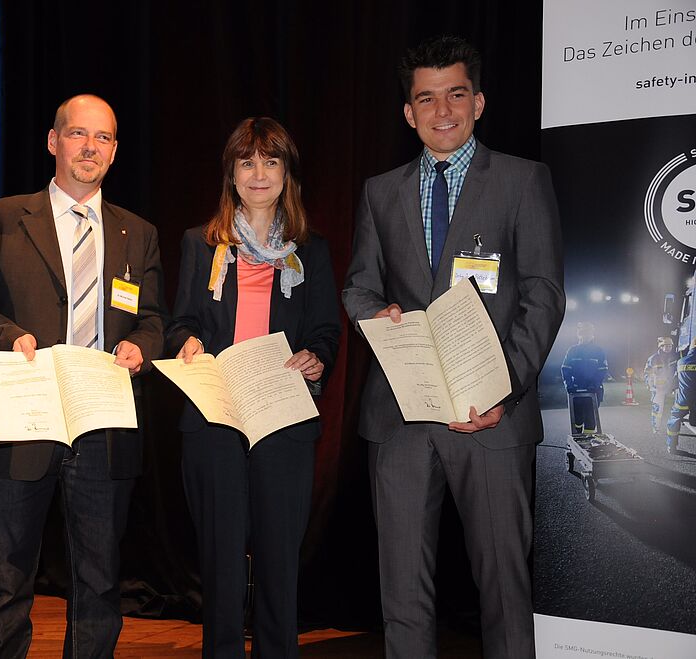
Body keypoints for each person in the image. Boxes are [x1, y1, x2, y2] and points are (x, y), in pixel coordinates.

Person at [342, 36, 564, 659]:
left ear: (480, 101)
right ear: (408, 113)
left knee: (503, 589)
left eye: (456, 94)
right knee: (402, 596)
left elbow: (543, 296)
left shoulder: (523, 180)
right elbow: (359, 286)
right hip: (400, 418)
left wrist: (502, 387)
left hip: (492, 419)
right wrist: (376, 315)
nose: (443, 111)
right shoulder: (379, 192)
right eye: (426, 99)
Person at [0, 94, 165, 658]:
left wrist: (140, 347)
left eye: (102, 138)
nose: (90, 147)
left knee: (99, 582)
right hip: (21, 416)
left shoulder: (137, 233)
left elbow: (153, 318)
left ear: (115, 151)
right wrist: (8, 336)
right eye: (78, 134)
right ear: (54, 142)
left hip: (103, 420)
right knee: (5, 578)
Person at [167, 117, 341, 658]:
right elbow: (180, 322)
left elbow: (326, 331)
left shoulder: (310, 251)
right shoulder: (201, 244)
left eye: (271, 161)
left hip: (283, 420)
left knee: (278, 565)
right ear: (232, 173)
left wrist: (318, 358)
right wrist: (188, 342)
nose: (259, 173)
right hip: (215, 420)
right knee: (219, 566)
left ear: (287, 173)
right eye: (247, 162)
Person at [561, 321, 608, 433]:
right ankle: (577, 437)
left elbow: (602, 370)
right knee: (577, 418)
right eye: (583, 333)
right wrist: (569, 385)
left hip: (594, 390)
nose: (585, 336)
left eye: (588, 333)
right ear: (579, 335)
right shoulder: (573, 351)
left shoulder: (598, 351)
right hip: (576, 390)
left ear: (592, 335)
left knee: (591, 418)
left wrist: (595, 384)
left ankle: (588, 442)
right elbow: (565, 369)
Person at [666, 339, 696, 455]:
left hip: (683, 401)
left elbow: (675, 380)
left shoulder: (681, 362)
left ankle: (671, 446)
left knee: (674, 418)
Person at [643, 336, 677, 434]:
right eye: (666, 346)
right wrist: (650, 385)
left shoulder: (674, 357)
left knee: (676, 408)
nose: (668, 348)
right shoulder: (653, 358)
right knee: (657, 409)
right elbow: (647, 373)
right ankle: (656, 427)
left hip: (671, 386)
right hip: (658, 388)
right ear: (660, 346)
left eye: (670, 346)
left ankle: (673, 427)